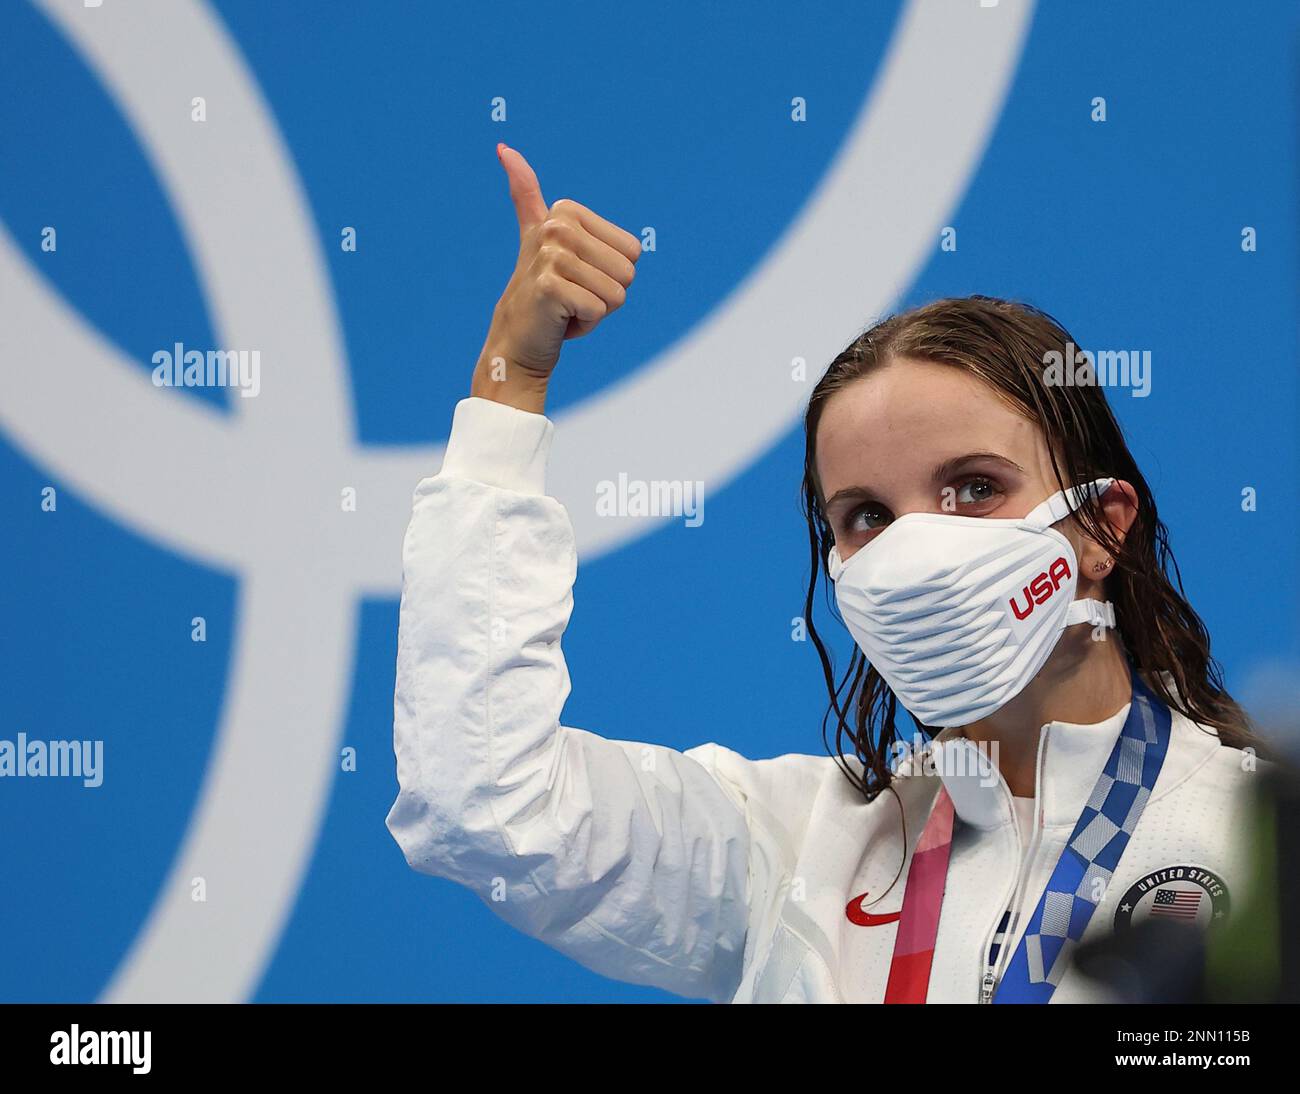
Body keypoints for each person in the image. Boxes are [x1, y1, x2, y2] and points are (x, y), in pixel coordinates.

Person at [384, 144, 1270, 1003]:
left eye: (974, 488)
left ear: (1100, 531)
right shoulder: (788, 846)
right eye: (868, 517)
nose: (919, 553)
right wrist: (512, 384)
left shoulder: (1258, 842)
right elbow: (484, 803)